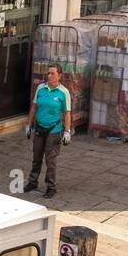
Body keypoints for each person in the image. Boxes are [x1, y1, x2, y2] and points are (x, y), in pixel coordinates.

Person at [25, 64, 72, 199]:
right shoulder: (41, 88)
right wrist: (29, 125)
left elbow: (67, 113)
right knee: (36, 157)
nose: (49, 76)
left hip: (54, 130)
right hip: (39, 128)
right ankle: (32, 182)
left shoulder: (64, 92)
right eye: (48, 73)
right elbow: (34, 107)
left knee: (50, 160)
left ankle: (51, 187)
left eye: (53, 73)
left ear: (60, 75)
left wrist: (67, 131)